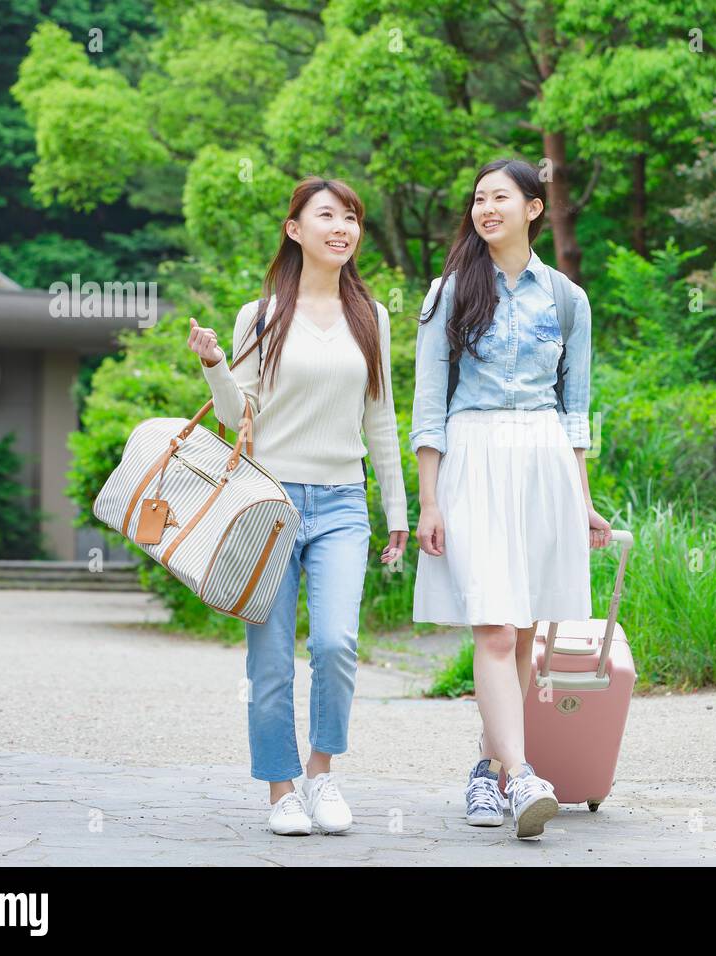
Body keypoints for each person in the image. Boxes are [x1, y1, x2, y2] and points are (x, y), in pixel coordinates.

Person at [187, 176, 410, 836]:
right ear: (295, 230)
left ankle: (322, 774)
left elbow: (381, 419)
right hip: (269, 505)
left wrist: (396, 511)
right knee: (272, 658)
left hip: (343, 503)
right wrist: (214, 367)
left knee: (338, 644)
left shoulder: (372, 317)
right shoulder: (260, 316)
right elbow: (239, 418)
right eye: (326, 216)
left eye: (351, 217)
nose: (342, 227)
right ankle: (281, 789)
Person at [410, 158, 612, 839]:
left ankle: (488, 771)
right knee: (493, 627)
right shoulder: (447, 294)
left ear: (533, 207)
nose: (484, 208)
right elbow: (428, 407)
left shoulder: (568, 300)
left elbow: (576, 410)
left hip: (544, 461)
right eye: (476, 199)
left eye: (499, 197)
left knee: (522, 631)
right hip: (474, 459)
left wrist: (583, 499)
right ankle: (524, 775)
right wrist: (428, 502)